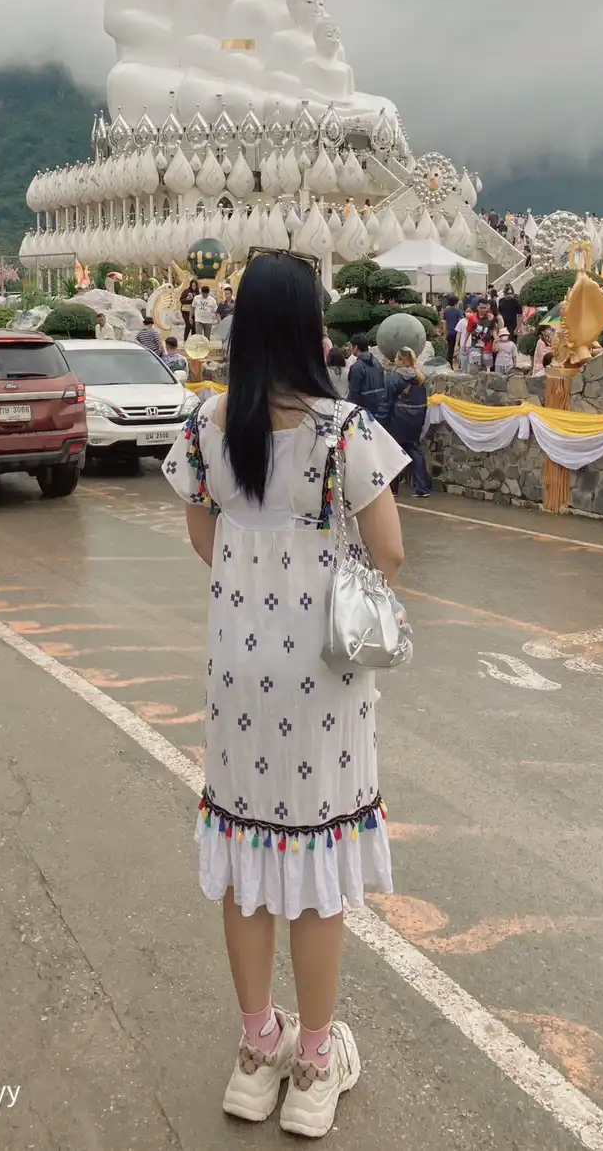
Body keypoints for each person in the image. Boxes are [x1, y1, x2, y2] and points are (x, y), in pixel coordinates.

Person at [163, 251, 408, 1136]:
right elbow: (392, 551)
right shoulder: (344, 431)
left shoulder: (208, 424)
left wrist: (252, 580)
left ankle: (254, 1050)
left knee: (247, 862)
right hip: (322, 683)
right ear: (309, 328)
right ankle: (312, 1064)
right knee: (314, 871)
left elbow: (204, 536)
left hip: (238, 672)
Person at [384, 348, 430, 497]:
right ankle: (422, 487)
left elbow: (387, 400)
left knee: (394, 453)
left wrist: (382, 419)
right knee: (415, 450)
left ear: (402, 360)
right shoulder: (420, 377)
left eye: (397, 358)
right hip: (416, 420)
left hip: (399, 419)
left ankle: (392, 489)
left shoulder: (395, 377)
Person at [346, 334, 387, 420]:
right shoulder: (377, 362)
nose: (349, 348)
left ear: (356, 347)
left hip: (364, 411)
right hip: (379, 408)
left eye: (351, 346)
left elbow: (354, 393)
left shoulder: (357, 367)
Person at [466, 301, 495, 372]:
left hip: (487, 344)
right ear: (477, 308)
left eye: (484, 308)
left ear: (487, 308)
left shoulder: (491, 317)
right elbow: (468, 331)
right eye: (481, 308)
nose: (482, 309)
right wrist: (465, 343)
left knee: (487, 365)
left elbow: (492, 330)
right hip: (475, 344)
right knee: (475, 364)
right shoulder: (472, 318)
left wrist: (496, 339)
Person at [441, 295, 463, 367]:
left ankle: (450, 366)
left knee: (450, 351)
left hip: (449, 333)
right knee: (459, 350)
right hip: (457, 333)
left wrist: (444, 334)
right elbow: (460, 322)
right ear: (456, 303)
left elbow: (444, 323)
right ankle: (460, 365)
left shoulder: (446, 311)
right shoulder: (459, 311)